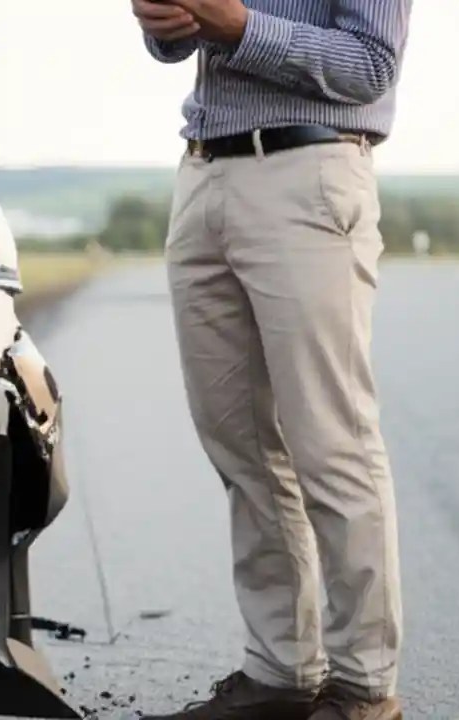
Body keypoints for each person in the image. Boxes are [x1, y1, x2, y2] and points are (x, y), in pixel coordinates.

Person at [134, 1, 412, 718]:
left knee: (332, 442)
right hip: (203, 173)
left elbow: (371, 64)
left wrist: (241, 27)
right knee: (240, 444)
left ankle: (363, 688)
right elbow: (174, 49)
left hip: (310, 172)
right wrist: (164, 22)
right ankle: (281, 672)